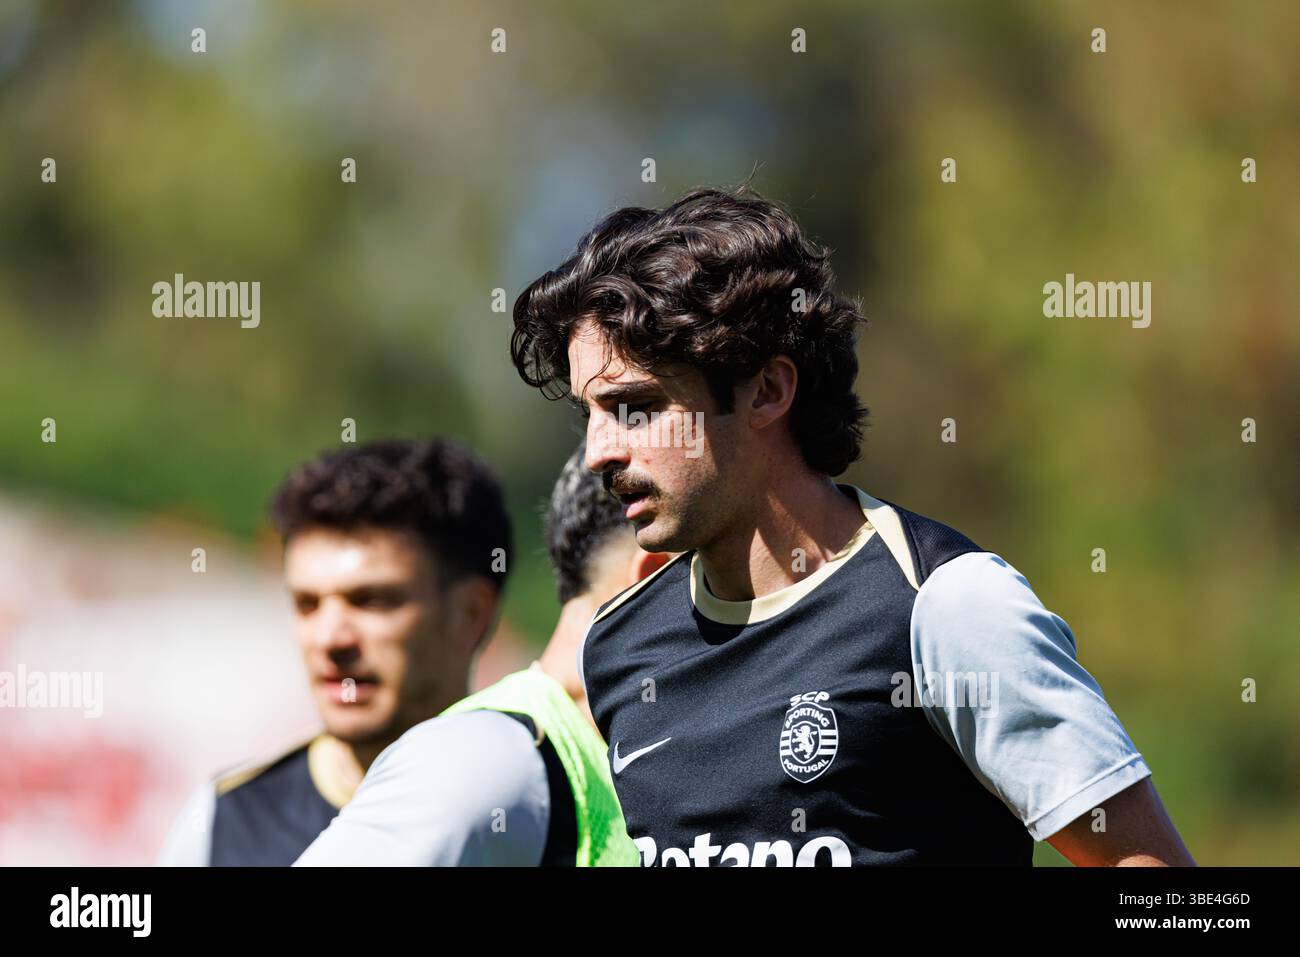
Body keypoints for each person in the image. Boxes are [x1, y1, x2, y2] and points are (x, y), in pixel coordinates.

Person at [507, 184, 1197, 867]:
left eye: (636, 407)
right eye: (588, 415)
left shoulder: (943, 606)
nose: (598, 450)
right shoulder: (621, 645)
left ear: (768, 391)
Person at [294, 443, 659, 866]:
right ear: (652, 575)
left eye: (372, 601)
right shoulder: (480, 766)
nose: (330, 639)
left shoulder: (644, 762)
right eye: (732, 584)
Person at [156, 438, 510, 865]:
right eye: (307, 604)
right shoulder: (222, 825)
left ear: (470, 614)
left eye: (371, 601)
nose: (330, 639)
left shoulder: (547, 819)